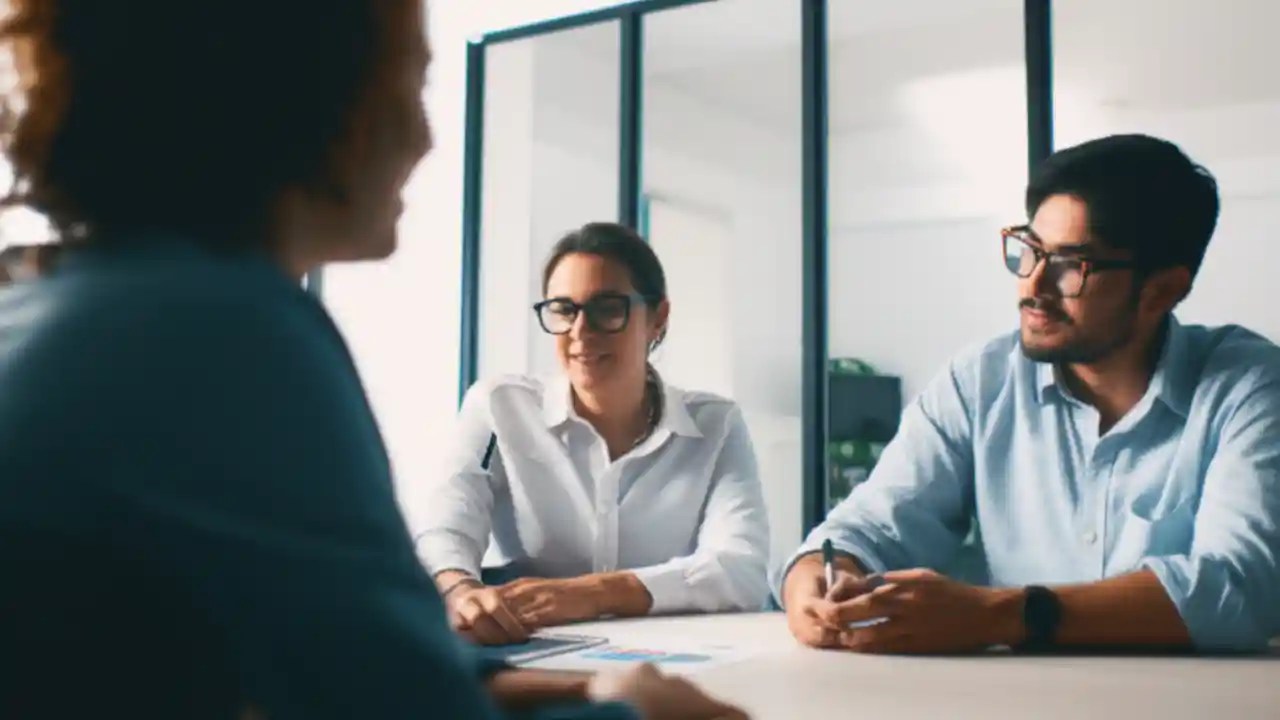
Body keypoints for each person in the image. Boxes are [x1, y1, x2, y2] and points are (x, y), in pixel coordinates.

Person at [0, 1, 746, 718]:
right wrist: (633, 712)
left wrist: (561, 685)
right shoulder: (230, 334)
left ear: (657, 321)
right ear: (303, 96)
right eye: (411, 82)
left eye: (608, 308)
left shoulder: (66, 297)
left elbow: (353, 661)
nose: (424, 136)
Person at [780, 134, 1280, 654]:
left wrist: (1001, 616)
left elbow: (1240, 586)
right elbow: (871, 525)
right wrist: (814, 577)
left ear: (1162, 290)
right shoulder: (978, 381)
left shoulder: (1250, 385)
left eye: (1071, 265)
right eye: (1030, 250)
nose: (1032, 287)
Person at [417, 222, 771, 645]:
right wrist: (459, 589)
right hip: (534, 655)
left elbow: (741, 569)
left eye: (607, 308)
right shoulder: (499, 408)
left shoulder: (716, 426)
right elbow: (446, 530)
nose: (581, 332)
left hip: (677, 659)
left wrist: (595, 593)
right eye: (564, 309)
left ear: (658, 318)